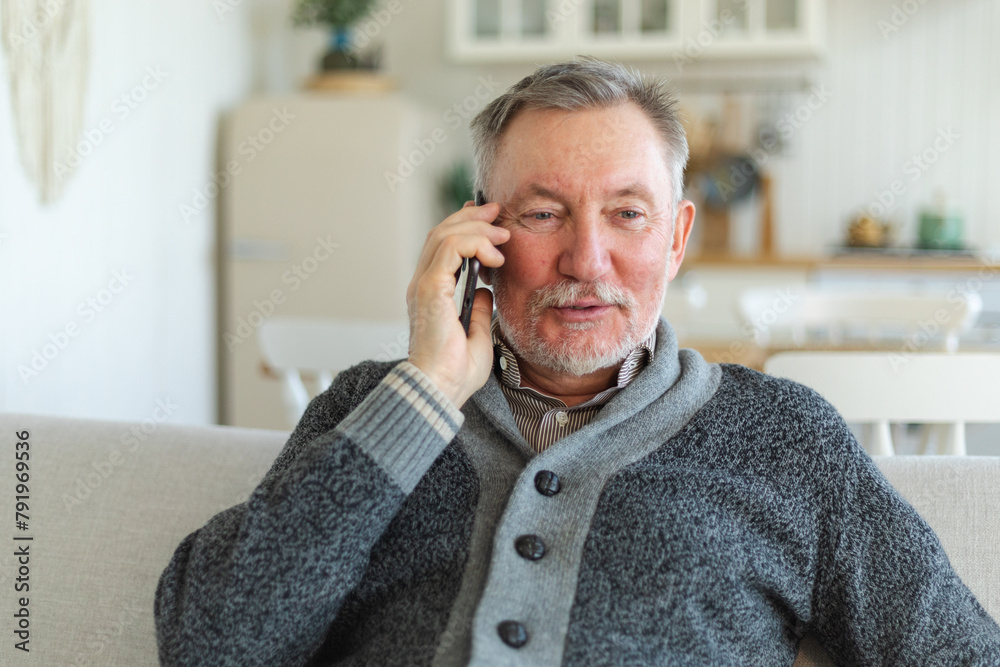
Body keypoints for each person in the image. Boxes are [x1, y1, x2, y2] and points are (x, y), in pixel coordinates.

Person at [155, 58, 1000, 666]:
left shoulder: (785, 437)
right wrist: (424, 393)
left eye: (628, 214)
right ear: (478, 234)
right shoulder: (373, 410)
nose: (586, 260)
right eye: (544, 213)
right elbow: (213, 644)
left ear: (675, 239)